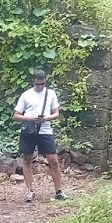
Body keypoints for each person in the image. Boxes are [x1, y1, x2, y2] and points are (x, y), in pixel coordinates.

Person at [12, 70, 65, 203]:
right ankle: (30, 190)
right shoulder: (26, 95)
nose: (40, 87)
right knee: (27, 159)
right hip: (29, 130)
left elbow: (56, 113)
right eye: (38, 84)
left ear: (45, 82)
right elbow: (16, 115)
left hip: (45, 130)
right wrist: (30, 118)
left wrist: (46, 118)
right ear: (33, 82)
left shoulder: (50, 94)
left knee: (53, 160)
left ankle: (59, 191)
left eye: (43, 84)